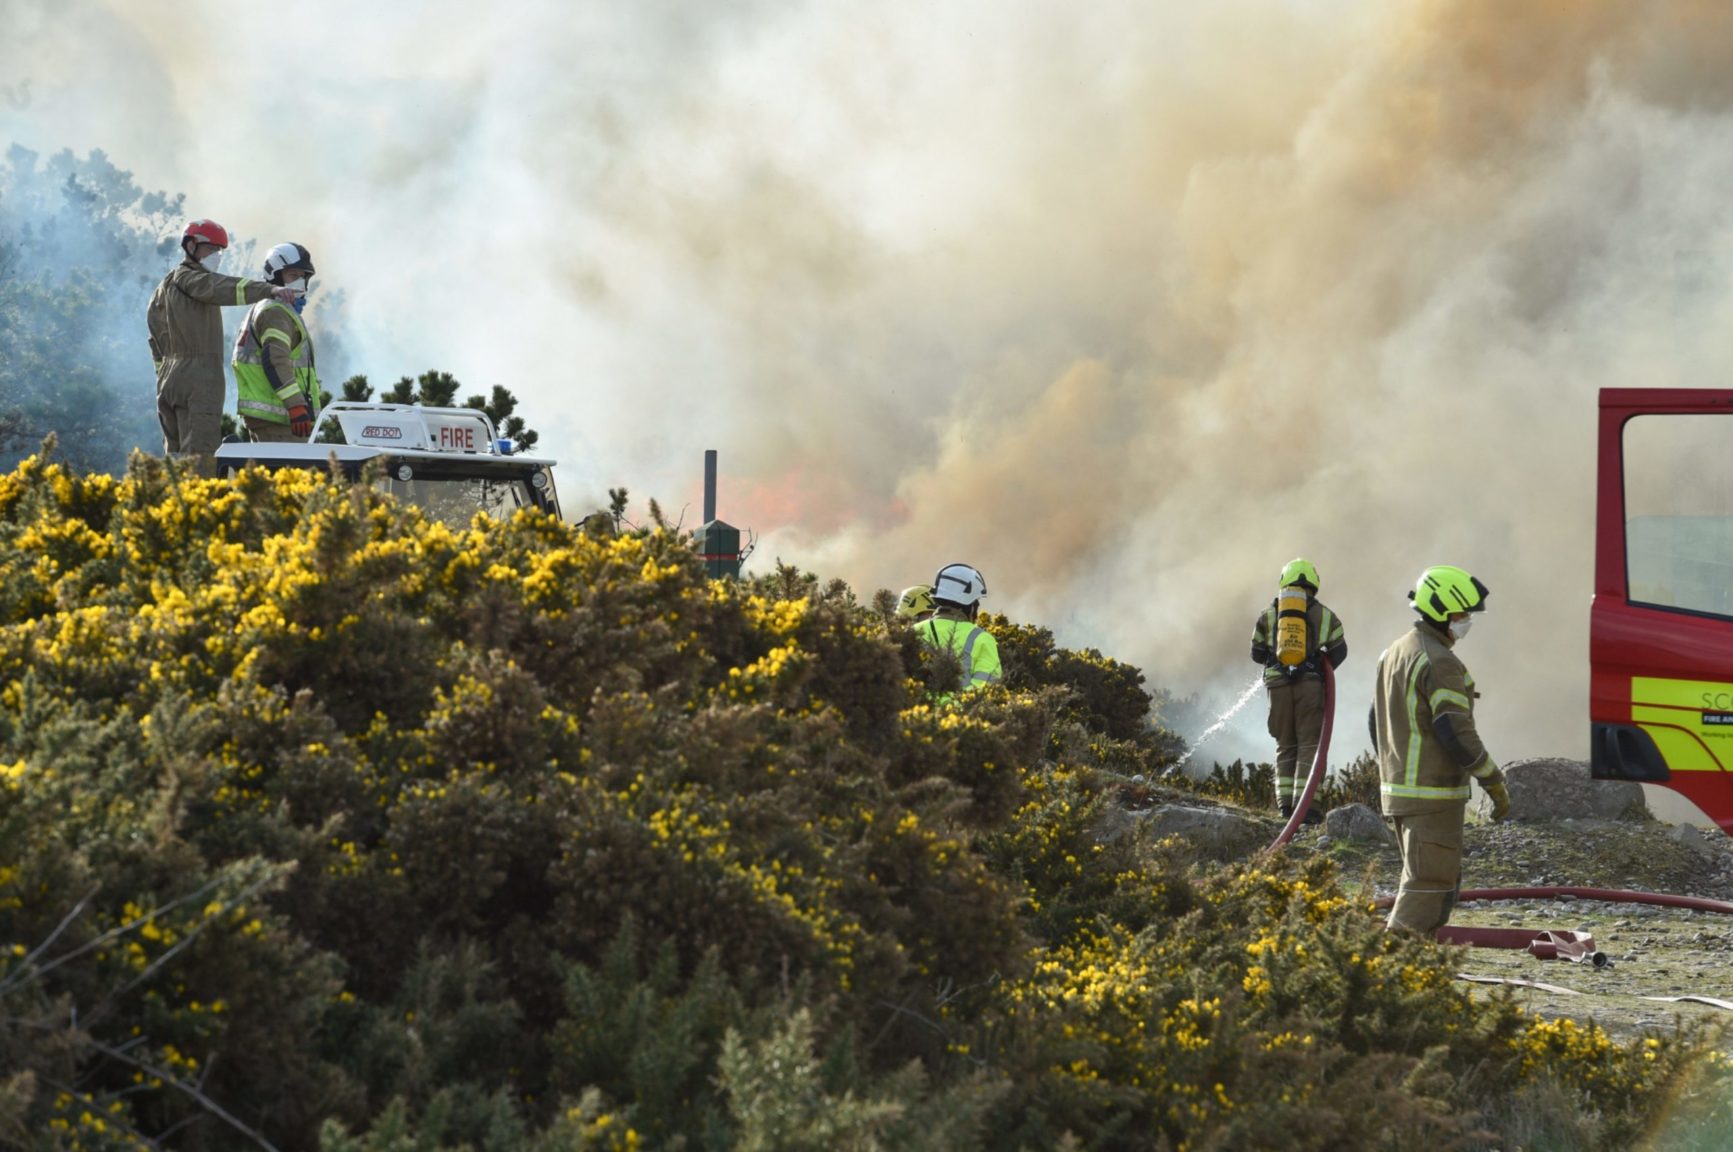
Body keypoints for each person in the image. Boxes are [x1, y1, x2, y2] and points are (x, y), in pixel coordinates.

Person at [1370, 565, 1511, 936]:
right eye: (1463, 614)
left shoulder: (1394, 652)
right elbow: (1456, 730)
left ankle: (1417, 971)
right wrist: (1493, 781)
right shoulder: (1439, 661)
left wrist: (1392, 770)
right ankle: (1389, 970)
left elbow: (1376, 722)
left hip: (1400, 791)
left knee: (1431, 883)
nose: (1467, 622)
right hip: (1431, 794)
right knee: (1427, 885)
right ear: (1443, 610)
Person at [147, 220, 299, 457]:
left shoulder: (162, 288)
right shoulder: (191, 278)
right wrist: (269, 290)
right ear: (190, 246)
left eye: (219, 251)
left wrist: (166, 373)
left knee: (174, 457)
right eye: (210, 249)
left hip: (168, 379)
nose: (216, 256)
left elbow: (154, 340)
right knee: (200, 455)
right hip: (200, 377)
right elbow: (220, 287)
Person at [1249, 558, 1347, 820]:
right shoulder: (1324, 615)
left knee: (1285, 744)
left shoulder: (1268, 614)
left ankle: (1285, 807)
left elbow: (1256, 653)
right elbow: (1340, 650)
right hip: (1310, 687)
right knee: (1310, 745)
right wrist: (1317, 668)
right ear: (1314, 583)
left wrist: (1280, 661)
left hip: (1277, 687)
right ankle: (1307, 810)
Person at [232, 243, 325, 442]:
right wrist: (295, 405)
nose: (299, 282)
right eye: (293, 275)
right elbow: (276, 360)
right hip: (281, 418)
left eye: (302, 276)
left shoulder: (270, 309)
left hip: (274, 417)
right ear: (274, 275)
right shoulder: (276, 312)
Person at [914, 563, 1001, 692]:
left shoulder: (912, 632)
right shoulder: (982, 639)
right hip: (963, 711)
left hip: (917, 711)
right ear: (971, 606)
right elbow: (988, 691)